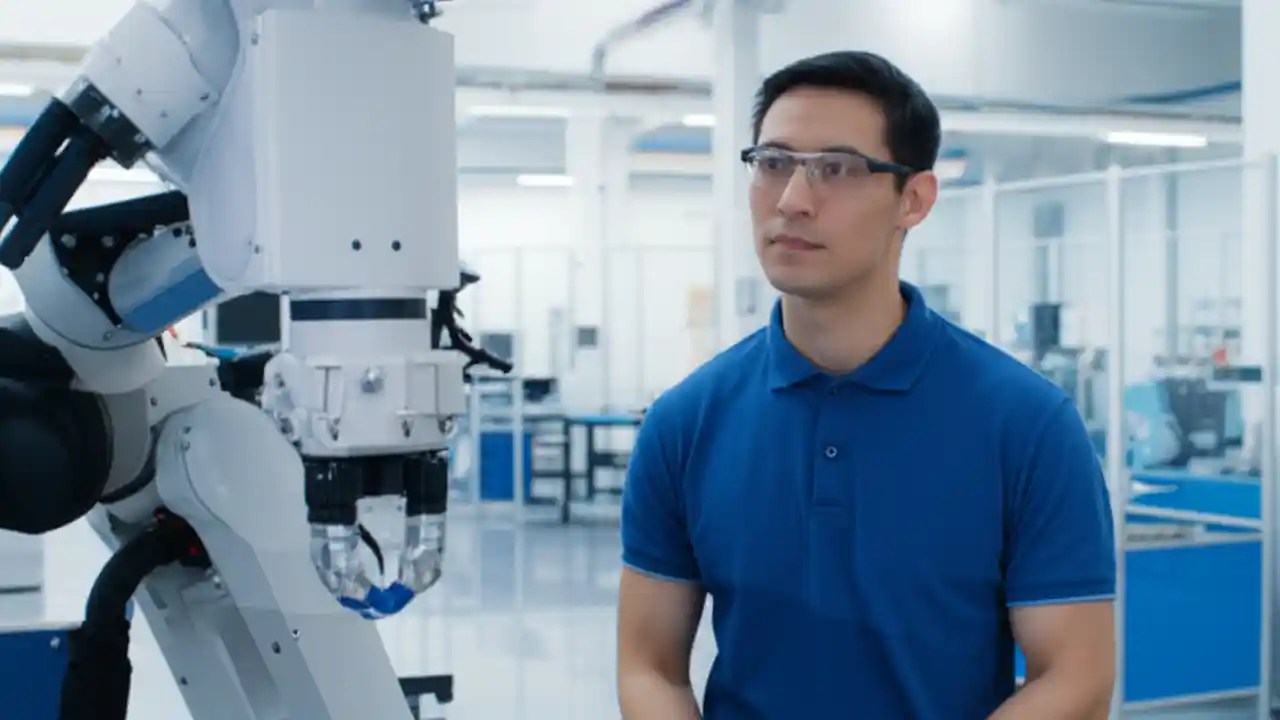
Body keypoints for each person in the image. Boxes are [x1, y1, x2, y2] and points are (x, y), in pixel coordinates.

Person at [615, 50, 1116, 720]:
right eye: (772, 164)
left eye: (837, 169)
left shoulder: (1025, 424)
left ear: (913, 199)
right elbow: (649, 667)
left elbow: (1074, 677)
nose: (792, 200)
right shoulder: (686, 422)